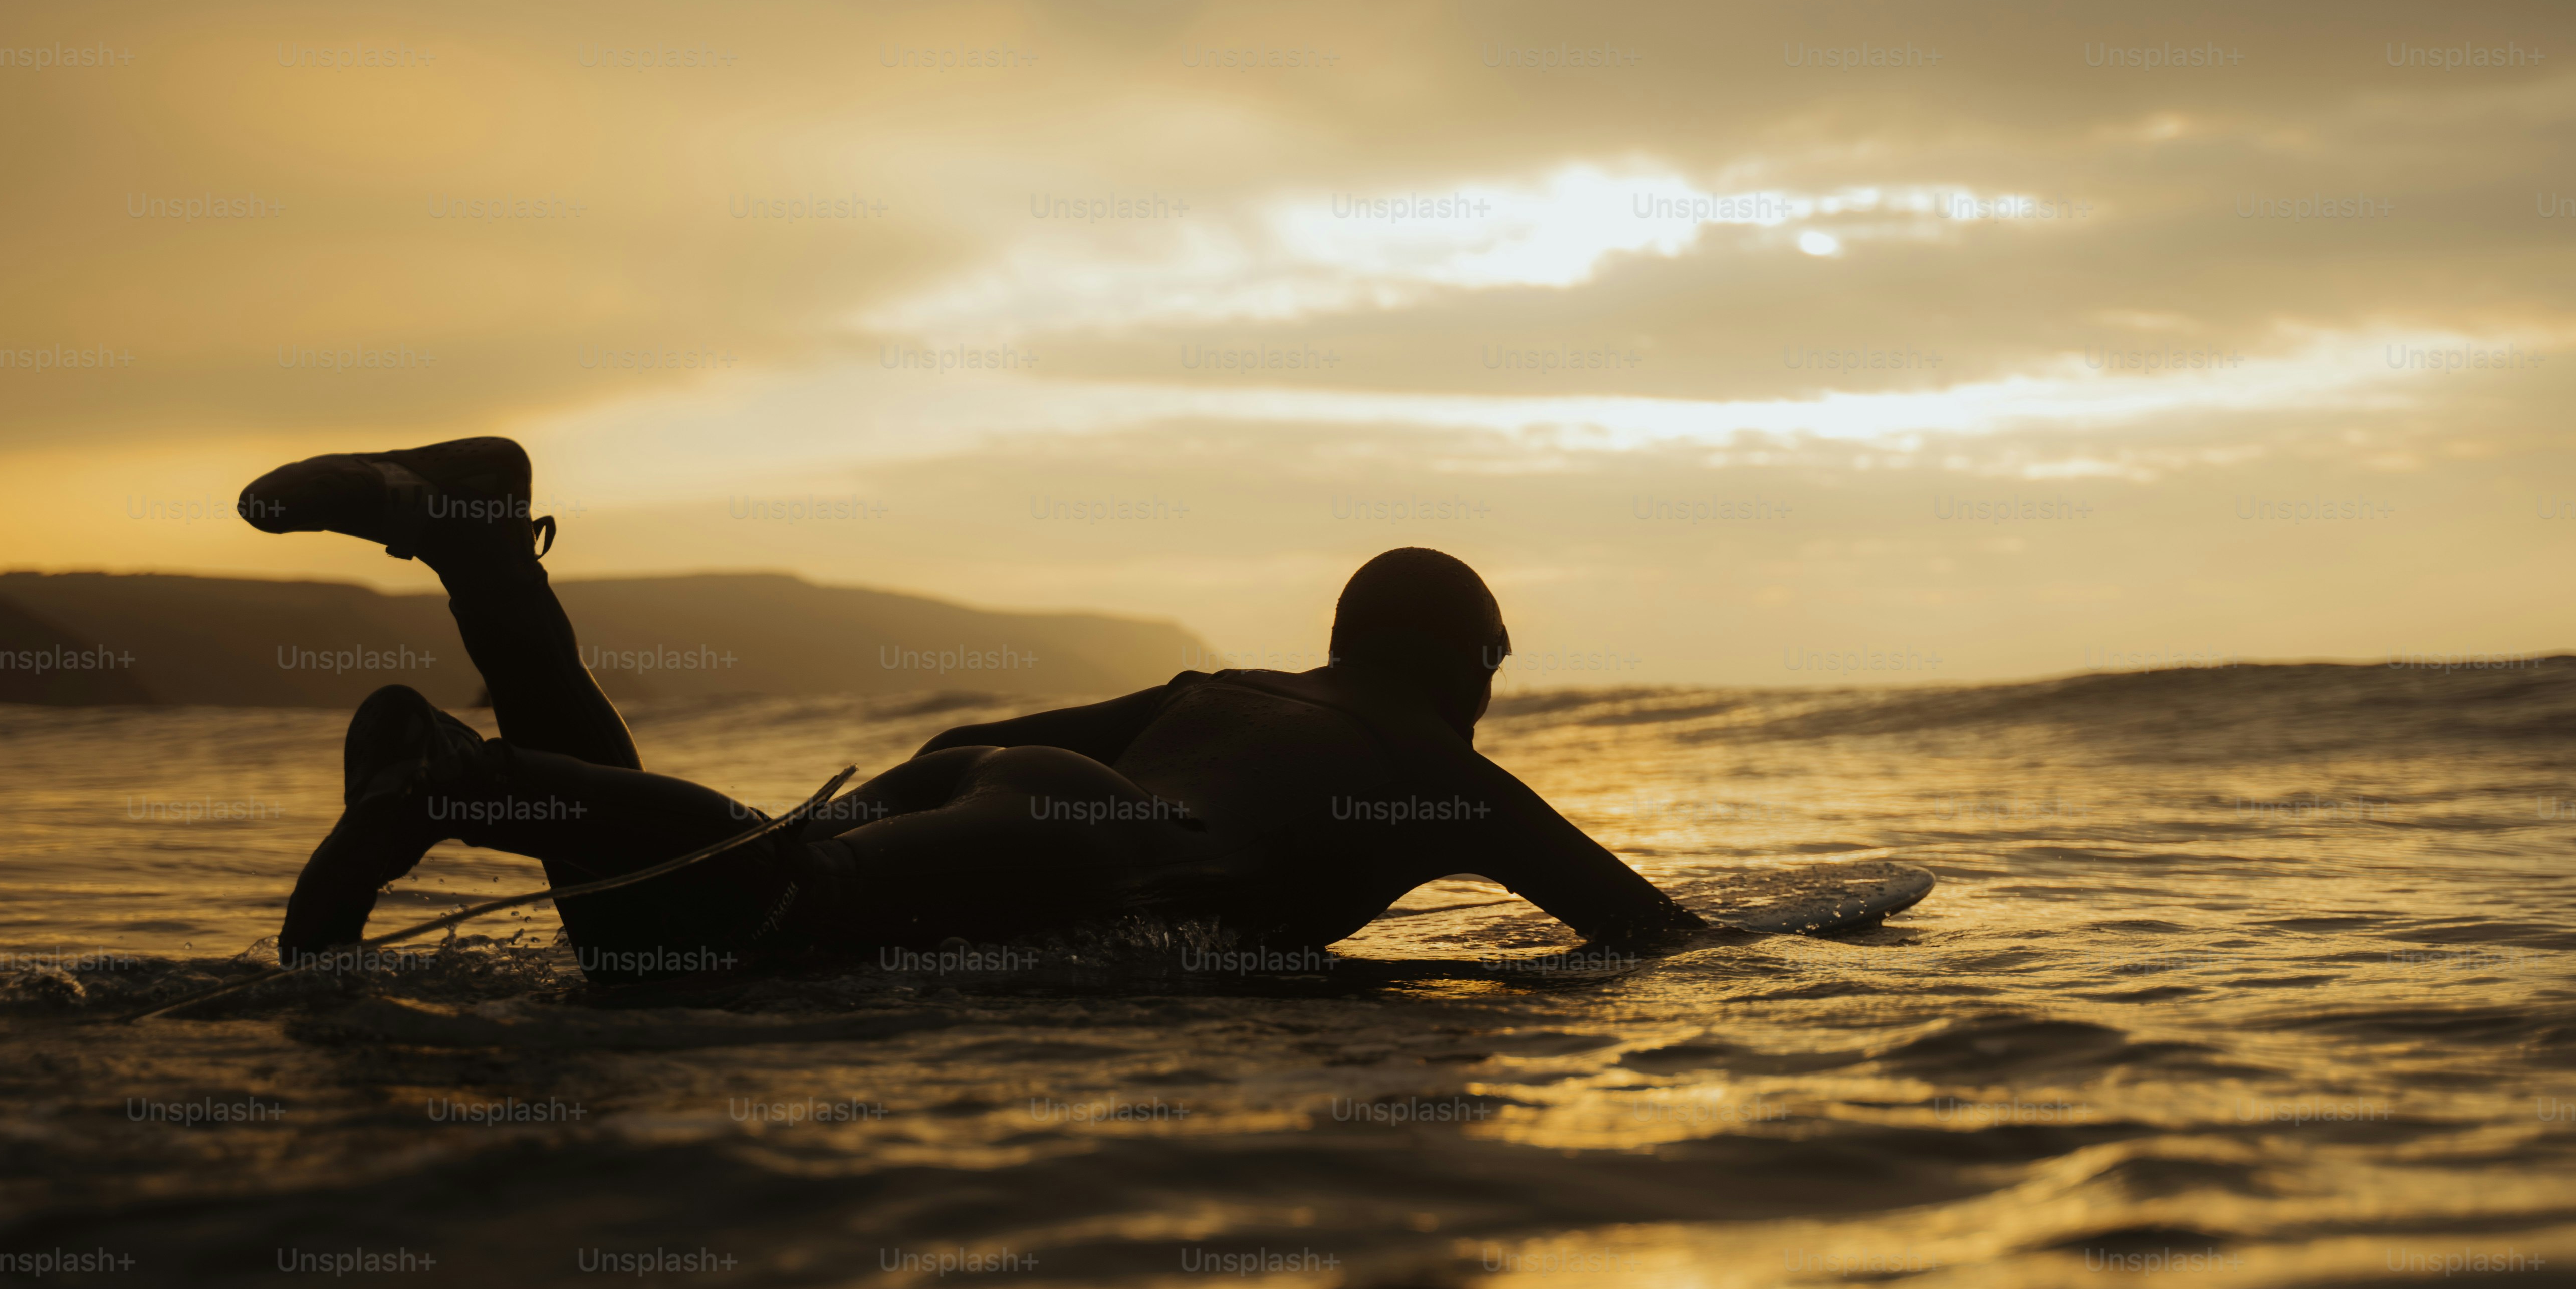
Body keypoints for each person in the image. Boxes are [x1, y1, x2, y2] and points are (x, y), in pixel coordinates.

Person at [244, 436, 1708, 984]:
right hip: (1087, 844)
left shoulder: (1234, 686)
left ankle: (485, 557)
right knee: (733, 910)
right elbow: (1655, 942)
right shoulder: (1441, 771)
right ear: (1478, 664)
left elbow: (977, 749)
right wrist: (1859, 915)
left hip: (1006, 779)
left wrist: (926, 798)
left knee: (665, 924)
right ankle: (457, 740)